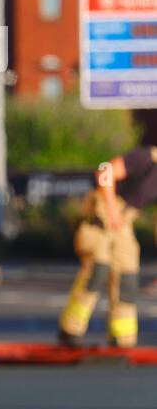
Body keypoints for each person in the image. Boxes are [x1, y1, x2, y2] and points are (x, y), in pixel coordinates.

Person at [59, 145, 157, 349]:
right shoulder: (146, 159)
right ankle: (70, 330)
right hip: (102, 212)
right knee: (98, 270)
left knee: (127, 277)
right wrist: (112, 212)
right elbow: (104, 171)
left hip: (125, 220)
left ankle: (122, 339)